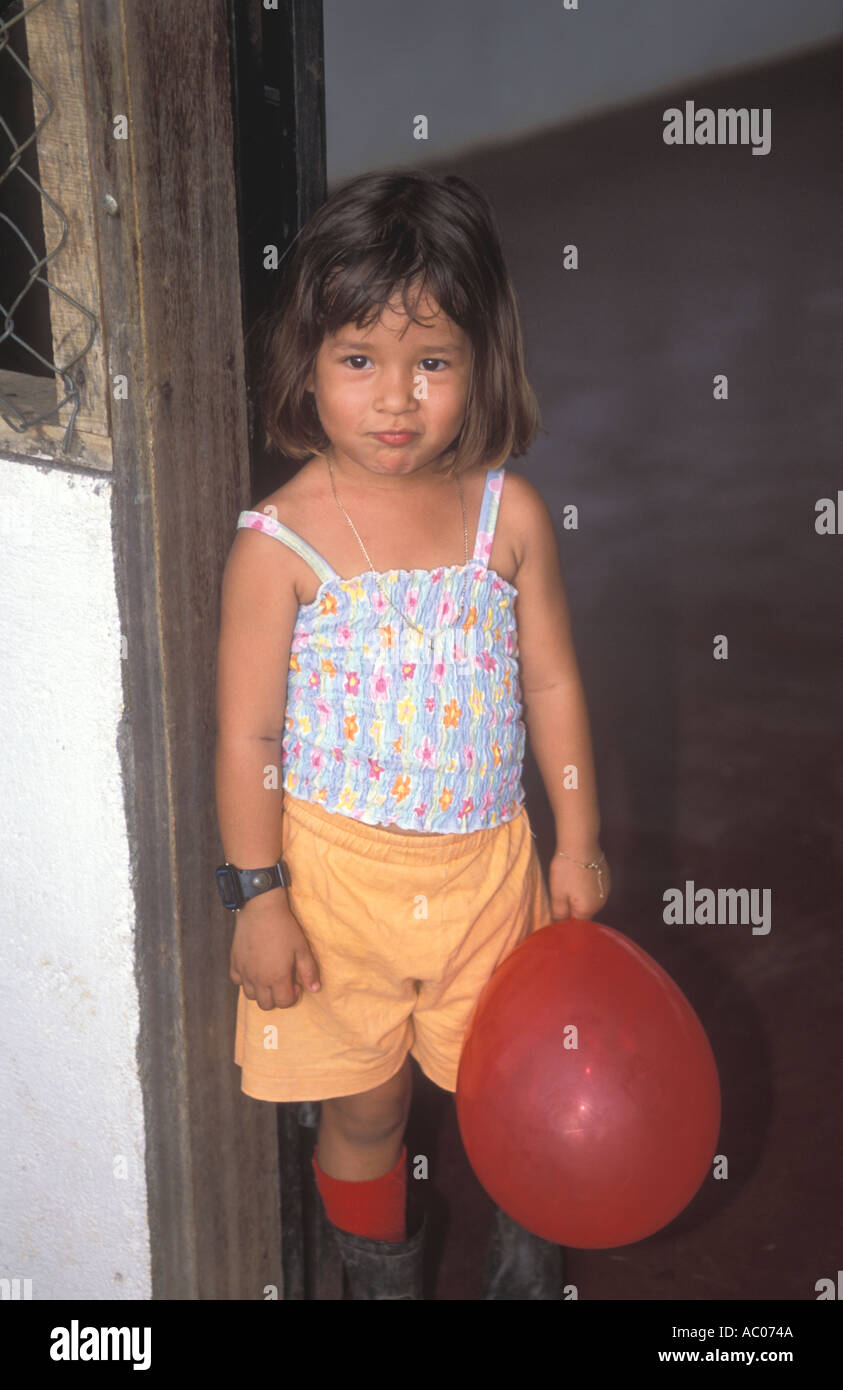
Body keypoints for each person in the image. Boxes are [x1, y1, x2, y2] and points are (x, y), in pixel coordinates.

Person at [214, 170, 610, 1300]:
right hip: (336, 892)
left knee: (513, 1090)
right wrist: (260, 895)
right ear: (307, 361)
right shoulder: (278, 543)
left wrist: (575, 838)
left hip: (490, 875)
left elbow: (552, 683)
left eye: (431, 362)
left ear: (484, 359)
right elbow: (247, 738)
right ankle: (377, 1283)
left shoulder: (510, 517)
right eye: (359, 361)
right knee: (366, 1105)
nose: (396, 400)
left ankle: (525, 1273)